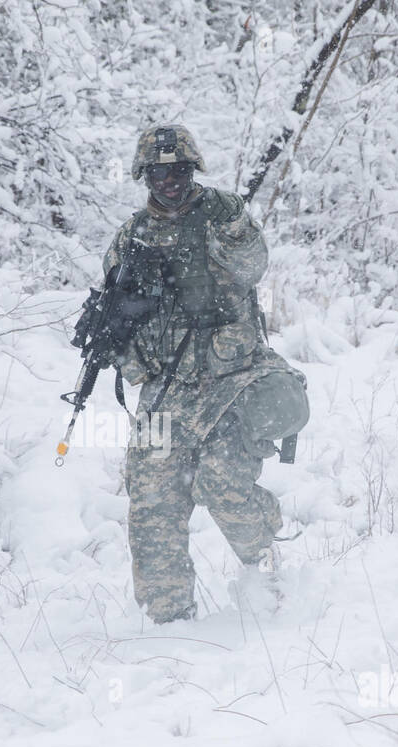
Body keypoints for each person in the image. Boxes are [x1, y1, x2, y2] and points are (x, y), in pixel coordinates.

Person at [101, 125, 309, 624]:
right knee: (152, 504)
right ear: (144, 175)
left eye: (178, 171)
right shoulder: (131, 237)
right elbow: (113, 317)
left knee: (222, 485)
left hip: (230, 382)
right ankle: (168, 623)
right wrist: (128, 353)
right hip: (164, 395)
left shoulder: (221, 215)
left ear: (190, 170)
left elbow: (252, 264)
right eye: (158, 172)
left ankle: (270, 582)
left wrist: (231, 223)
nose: (169, 181)